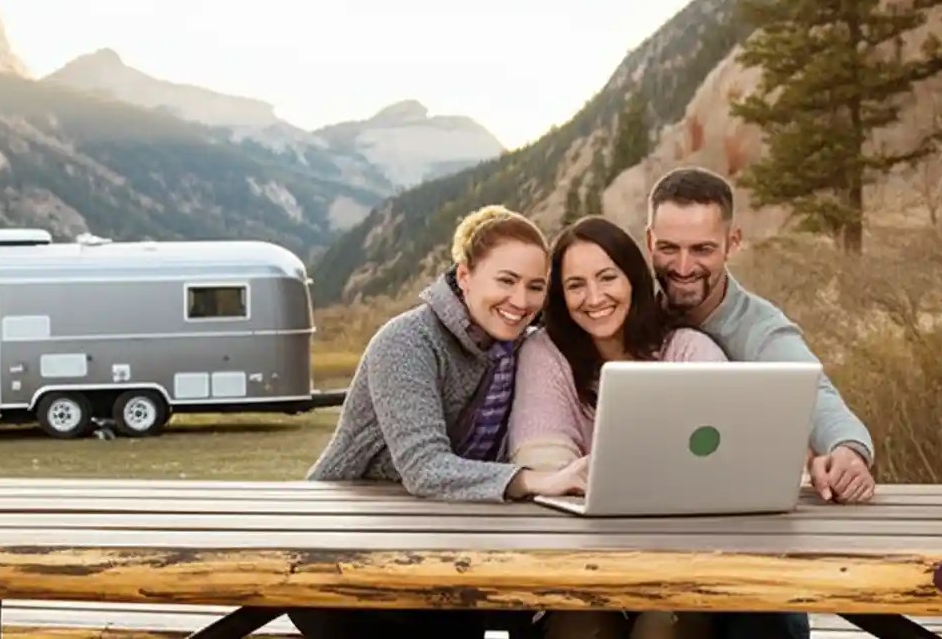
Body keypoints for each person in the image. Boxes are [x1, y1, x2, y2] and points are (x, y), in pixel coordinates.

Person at [291, 204, 586, 639]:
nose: (520, 301)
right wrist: (535, 480)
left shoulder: (522, 347)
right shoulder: (408, 342)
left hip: (441, 545)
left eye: (535, 287)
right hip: (341, 555)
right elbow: (424, 468)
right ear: (464, 276)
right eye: (505, 281)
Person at [644, 166, 878, 639]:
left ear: (732, 243)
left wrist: (849, 450)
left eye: (703, 249)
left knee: (769, 622)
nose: (683, 265)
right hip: (634, 540)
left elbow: (819, 397)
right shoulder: (621, 301)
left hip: (739, 547)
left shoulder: (759, 329)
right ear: (649, 240)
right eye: (669, 247)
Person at [507, 215, 722, 639]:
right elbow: (545, 465)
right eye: (575, 285)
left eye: (607, 277)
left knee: (663, 629)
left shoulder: (687, 349)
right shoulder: (545, 353)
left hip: (679, 566)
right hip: (575, 568)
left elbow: (723, 459)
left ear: (633, 280)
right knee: (586, 627)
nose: (594, 297)